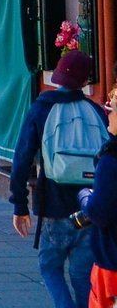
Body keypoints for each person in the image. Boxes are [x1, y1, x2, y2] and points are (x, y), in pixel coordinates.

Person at [8, 50, 104, 308]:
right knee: (83, 275)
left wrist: (19, 204)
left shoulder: (42, 108)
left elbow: (22, 158)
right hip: (89, 210)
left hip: (53, 207)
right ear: (86, 82)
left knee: (50, 268)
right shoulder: (97, 112)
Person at [79, 86, 117, 308]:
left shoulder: (110, 160)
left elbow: (97, 211)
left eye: (111, 108)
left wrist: (85, 196)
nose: (106, 112)